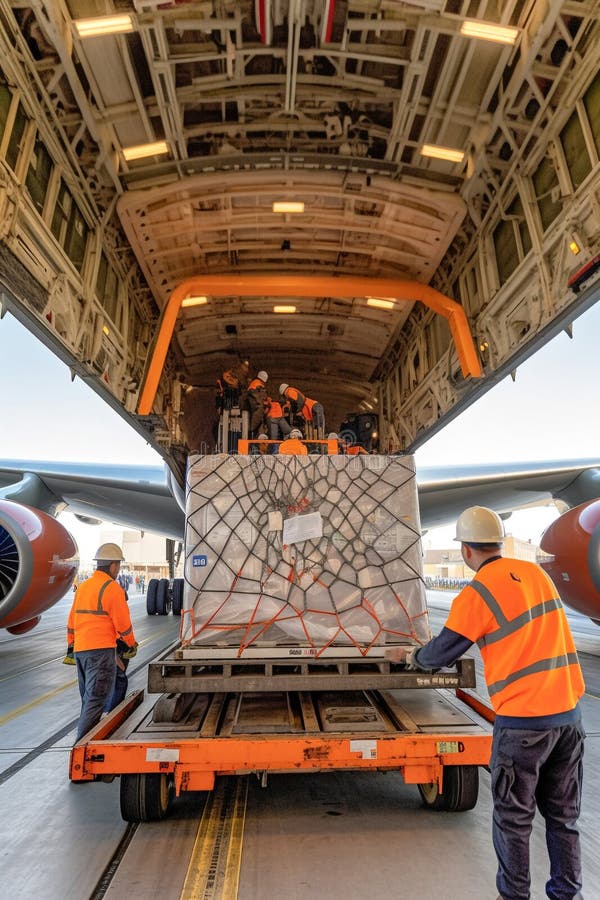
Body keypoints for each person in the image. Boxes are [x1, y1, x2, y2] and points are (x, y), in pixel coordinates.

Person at [389, 507, 585, 900]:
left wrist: (412, 656)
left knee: (514, 818)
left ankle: (513, 896)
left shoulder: (477, 593)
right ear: (498, 541)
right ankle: (568, 894)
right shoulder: (537, 575)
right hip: (568, 717)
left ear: (466, 550)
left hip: (524, 723)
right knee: (563, 818)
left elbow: (441, 653)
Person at [65, 543, 138, 741]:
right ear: (113, 565)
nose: (118, 570)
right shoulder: (112, 589)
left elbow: (71, 620)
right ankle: (81, 747)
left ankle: (93, 736)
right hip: (101, 651)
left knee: (88, 699)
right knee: (96, 700)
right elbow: (123, 625)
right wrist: (130, 643)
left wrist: (72, 644)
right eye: (118, 566)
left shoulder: (83, 587)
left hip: (81, 650)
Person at [245, 370, 269, 435]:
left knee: (259, 419)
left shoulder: (254, 383)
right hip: (256, 404)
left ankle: (257, 433)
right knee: (259, 414)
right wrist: (266, 404)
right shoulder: (258, 384)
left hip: (252, 404)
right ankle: (252, 430)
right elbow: (262, 396)